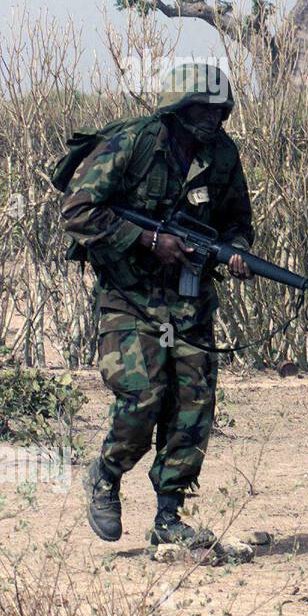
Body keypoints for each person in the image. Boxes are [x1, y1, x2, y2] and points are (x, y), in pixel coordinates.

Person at [63, 62, 254, 545]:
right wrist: (148, 240)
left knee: (192, 408)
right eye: (202, 109)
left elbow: (237, 221)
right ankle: (106, 475)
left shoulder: (221, 156)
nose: (212, 119)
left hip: (189, 304)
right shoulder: (134, 142)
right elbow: (78, 210)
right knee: (142, 396)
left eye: (219, 110)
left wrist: (236, 252)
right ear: (178, 106)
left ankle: (169, 518)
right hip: (129, 298)